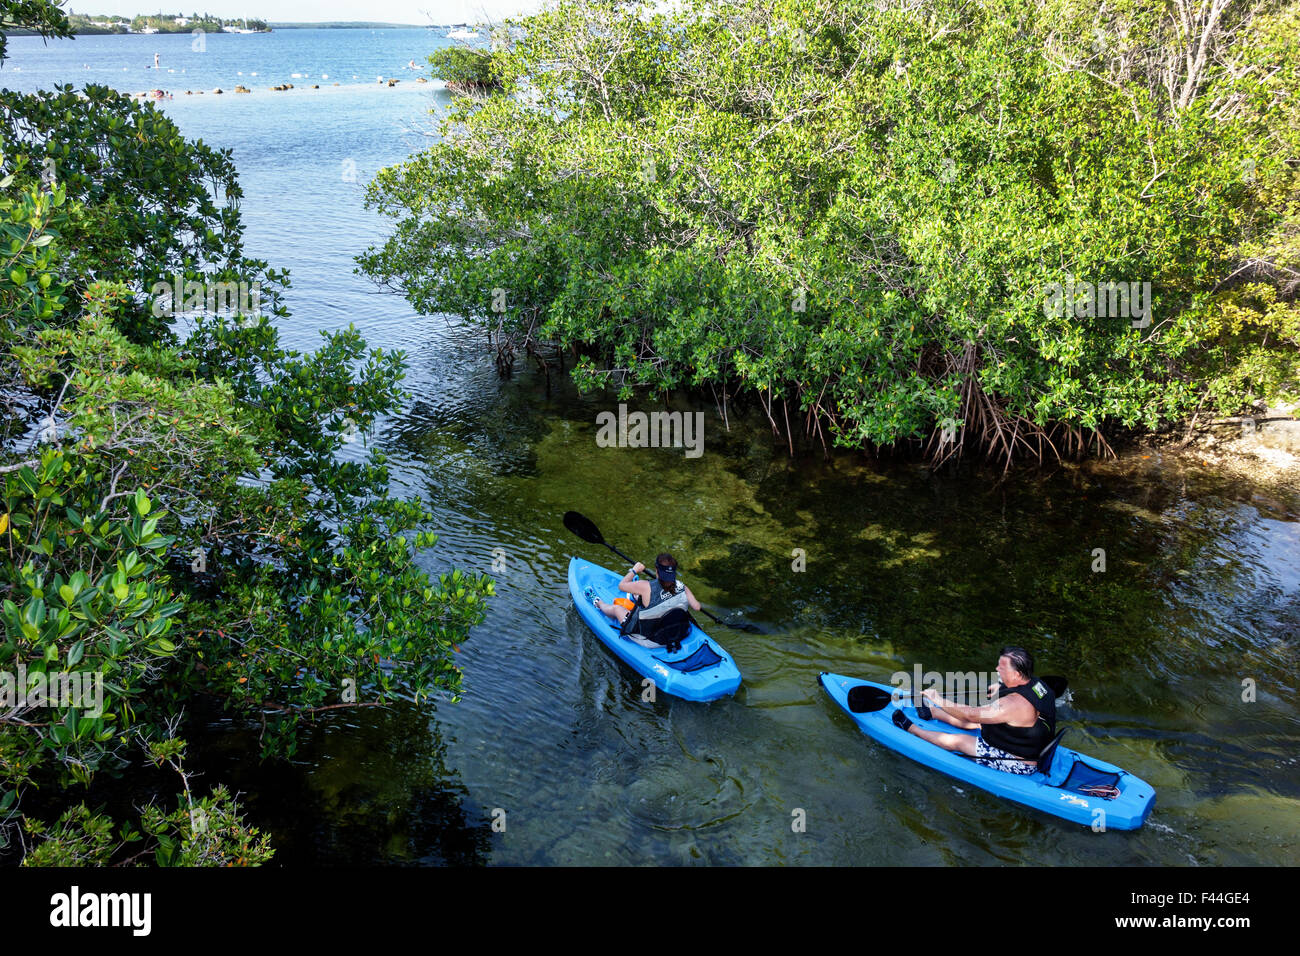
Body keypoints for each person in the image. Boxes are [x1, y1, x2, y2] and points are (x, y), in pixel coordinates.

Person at [891, 647, 1056, 775]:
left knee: (959, 741)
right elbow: (1022, 695)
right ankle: (932, 713)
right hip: (1027, 739)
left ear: (1017, 673)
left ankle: (913, 729)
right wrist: (1002, 687)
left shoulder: (1011, 704)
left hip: (1021, 762)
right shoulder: (1037, 684)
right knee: (982, 723)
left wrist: (939, 699)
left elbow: (970, 715)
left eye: (1002, 668)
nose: (997, 669)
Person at [586, 553, 701, 649]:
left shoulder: (645, 586)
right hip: (680, 633)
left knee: (617, 609)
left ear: (657, 570)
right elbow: (697, 607)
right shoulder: (682, 586)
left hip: (651, 641)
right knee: (649, 599)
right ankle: (635, 595)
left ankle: (597, 602)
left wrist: (634, 570)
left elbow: (621, 585)